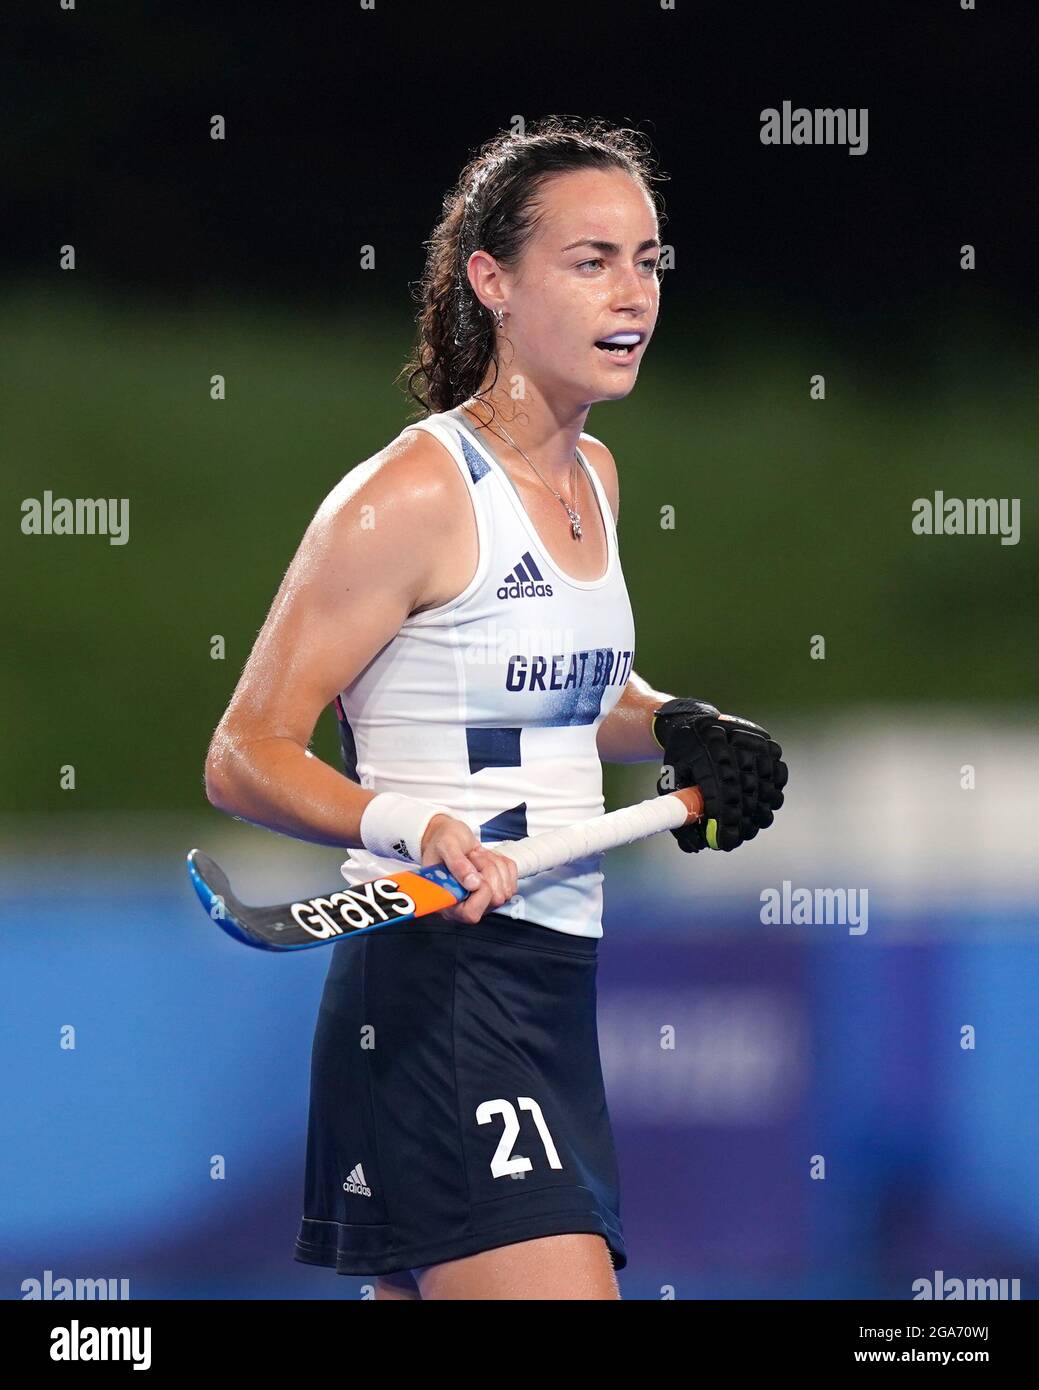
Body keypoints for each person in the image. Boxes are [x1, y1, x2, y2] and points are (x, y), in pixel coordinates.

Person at [204, 116, 787, 1301]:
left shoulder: (594, 475)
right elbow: (245, 752)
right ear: (493, 282)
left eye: (648, 260)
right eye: (590, 262)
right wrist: (409, 828)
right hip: (437, 980)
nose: (632, 293)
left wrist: (675, 722)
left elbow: (567, 692)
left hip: (551, 979)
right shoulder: (414, 492)